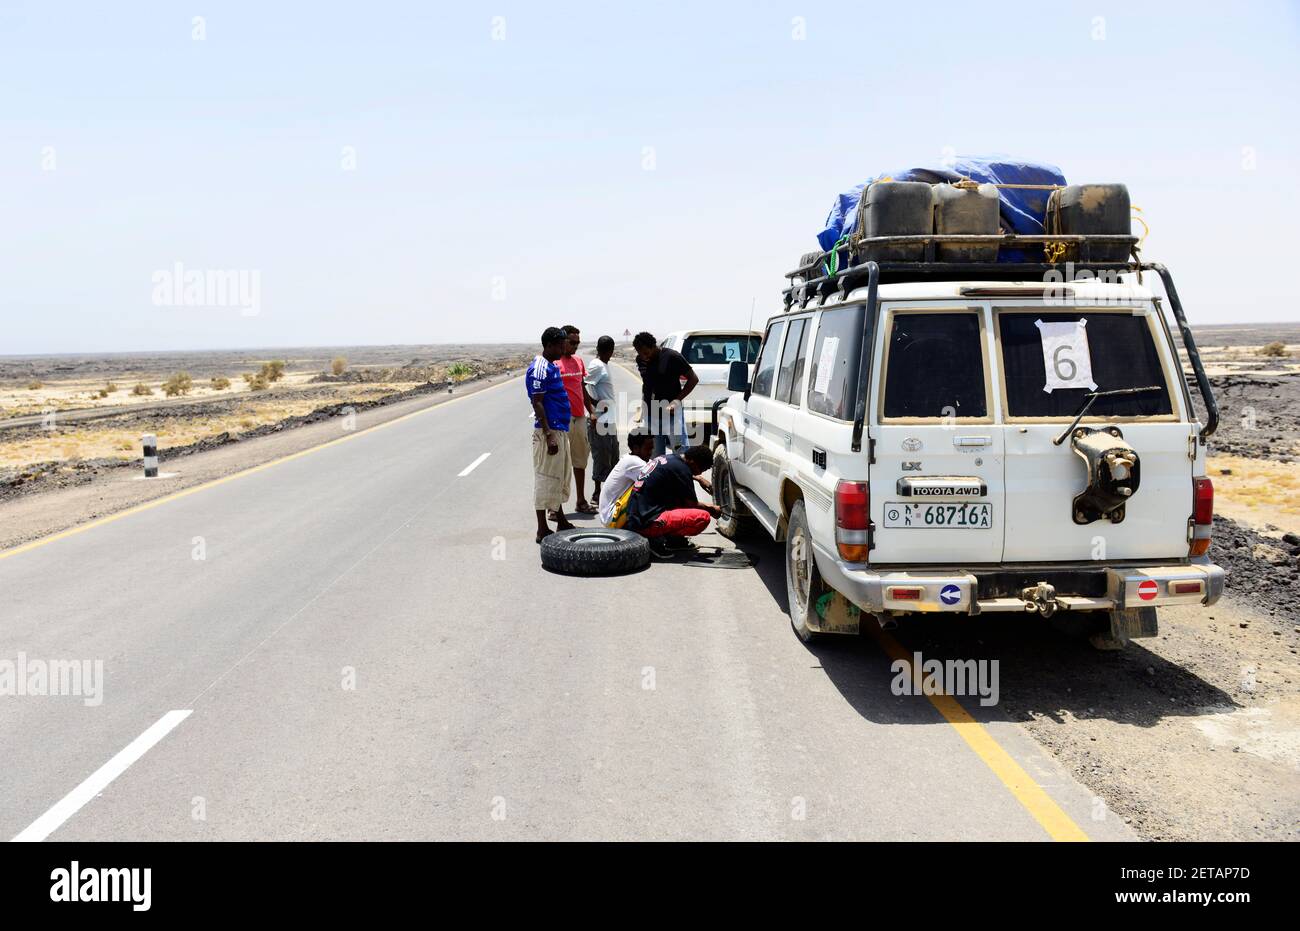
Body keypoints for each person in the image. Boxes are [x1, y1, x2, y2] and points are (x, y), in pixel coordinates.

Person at [624, 445, 721, 557]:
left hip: (635, 517)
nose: (700, 474)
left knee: (679, 499)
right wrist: (712, 509)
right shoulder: (683, 470)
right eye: (701, 470)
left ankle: (673, 539)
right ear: (693, 462)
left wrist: (698, 478)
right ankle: (655, 541)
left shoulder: (672, 459)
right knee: (702, 517)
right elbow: (692, 504)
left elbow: (676, 475)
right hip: (646, 523)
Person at [528, 327, 575, 543]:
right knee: (545, 478)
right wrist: (548, 434)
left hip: (559, 429)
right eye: (560, 345)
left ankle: (561, 520)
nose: (564, 348)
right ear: (549, 345)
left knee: (559, 477)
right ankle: (541, 528)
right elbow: (537, 402)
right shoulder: (539, 368)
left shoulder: (551, 366)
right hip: (549, 431)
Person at [633, 331, 698, 457]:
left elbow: (693, 379)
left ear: (653, 346)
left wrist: (676, 401)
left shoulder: (672, 357)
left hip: (672, 413)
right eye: (640, 353)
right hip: (651, 414)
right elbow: (646, 384)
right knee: (655, 455)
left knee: (680, 453)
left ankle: (681, 476)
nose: (644, 357)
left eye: (646, 353)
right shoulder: (640, 360)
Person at [557, 325, 598, 514]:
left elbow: (582, 388)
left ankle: (580, 501)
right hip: (561, 420)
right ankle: (555, 506)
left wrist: (591, 410)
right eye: (571, 342)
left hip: (579, 418)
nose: (575, 346)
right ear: (562, 341)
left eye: (577, 343)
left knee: (580, 461)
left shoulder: (578, 361)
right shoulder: (554, 363)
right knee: (560, 464)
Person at [585, 335, 619, 504]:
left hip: (609, 419)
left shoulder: (603, 364)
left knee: (613, 455)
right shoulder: (597, 366)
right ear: (610, 350)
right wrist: (595, 406)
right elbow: (582, 385)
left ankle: (609, 492)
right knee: (601, 455)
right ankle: (597, 494)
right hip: (600, 419)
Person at [598, 431, 654, 526]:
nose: (651, 453)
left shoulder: (631, 458)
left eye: (652, 449)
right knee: (650, 487)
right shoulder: (633, 462)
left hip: (609, 514)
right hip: (612, 517)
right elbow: (657, 475)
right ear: (636, 448)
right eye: (648, 449)